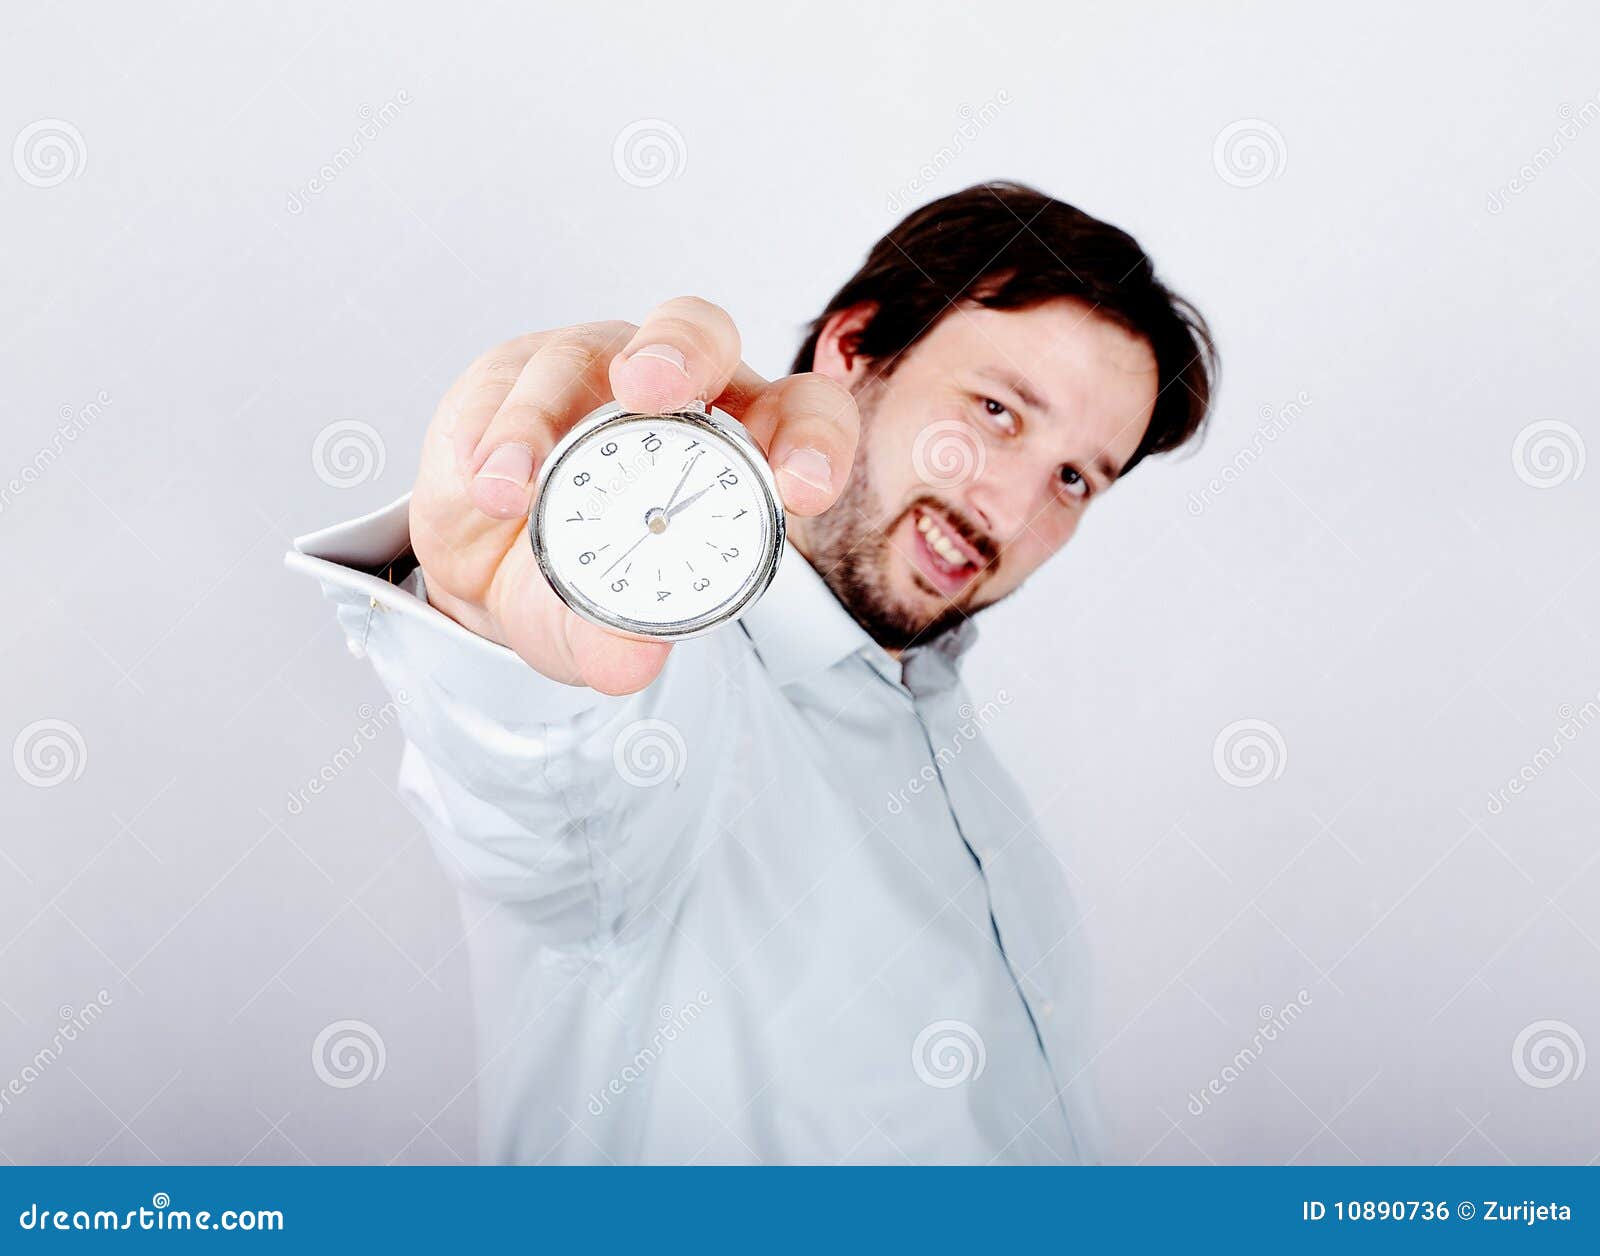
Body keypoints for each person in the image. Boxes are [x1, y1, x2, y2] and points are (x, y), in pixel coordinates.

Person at [287, 181, 1216, 1164]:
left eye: (1074, 478)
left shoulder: (946, 728)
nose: (1013, 510)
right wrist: (494, 617)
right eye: (996, 411)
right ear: (855, 349)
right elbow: (537, 795)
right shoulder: (665, 698)